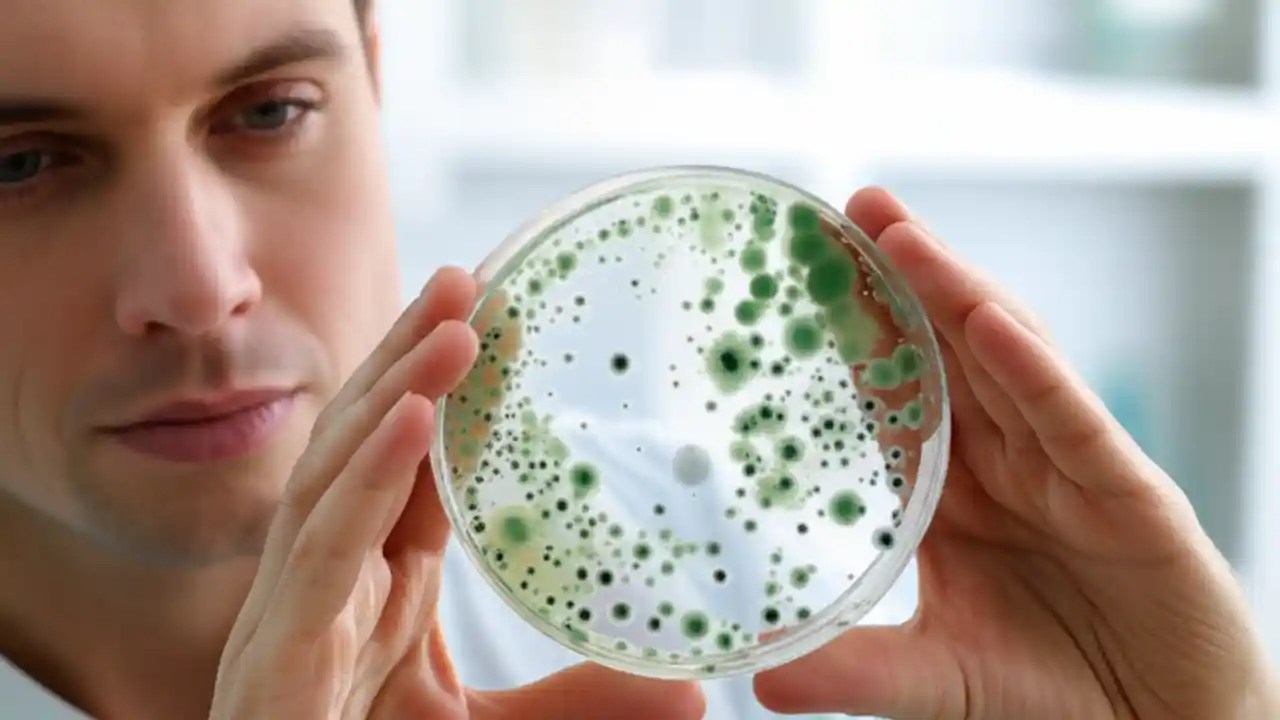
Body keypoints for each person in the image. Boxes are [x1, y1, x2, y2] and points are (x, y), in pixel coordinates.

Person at [0, 0, 1274, 718]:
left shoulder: (708, 566)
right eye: (19, 162)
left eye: (270, 111)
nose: (196, 283)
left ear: (375, 82)